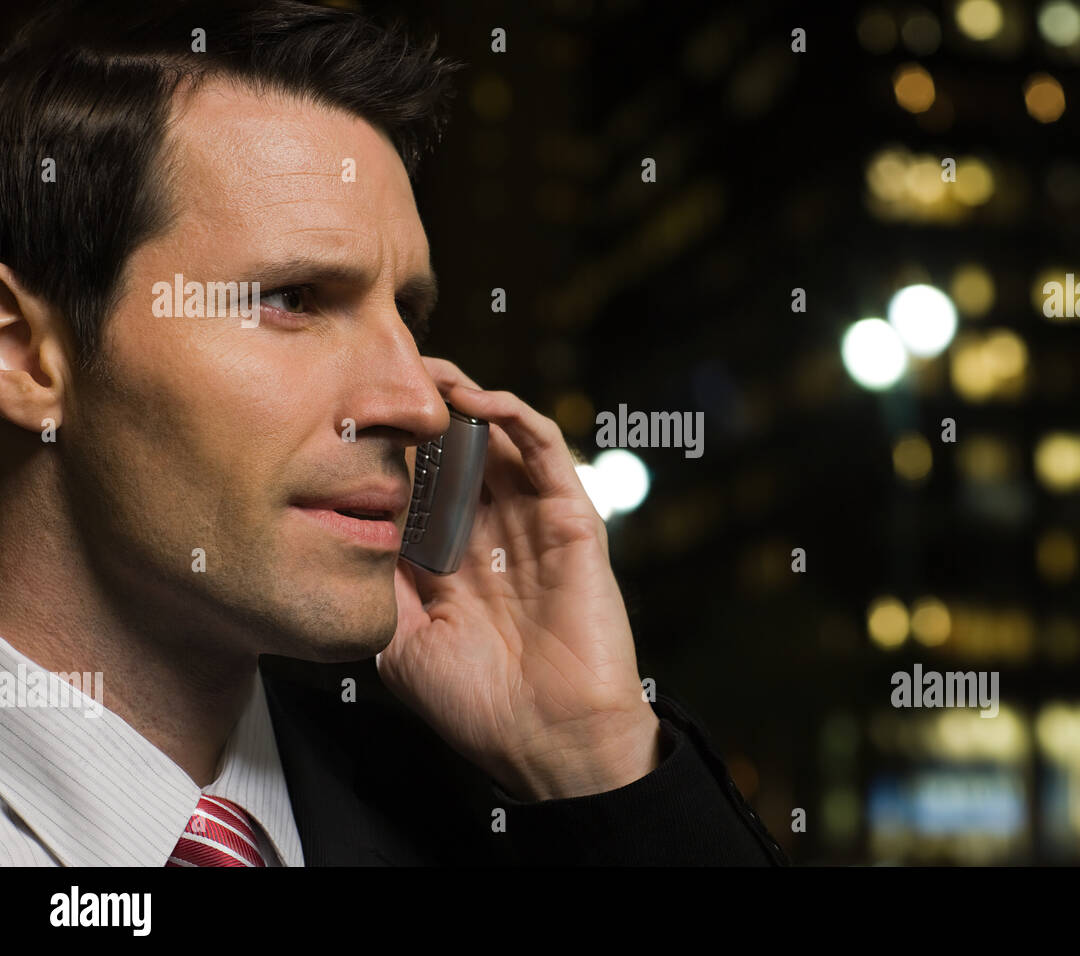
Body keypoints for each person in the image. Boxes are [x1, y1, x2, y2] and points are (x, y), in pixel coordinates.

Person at [0, 0, 787, 866]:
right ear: (25, 357)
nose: (420, 403)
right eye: (292, 298)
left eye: (409, 312)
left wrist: (588, 754)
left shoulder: (472, 813)